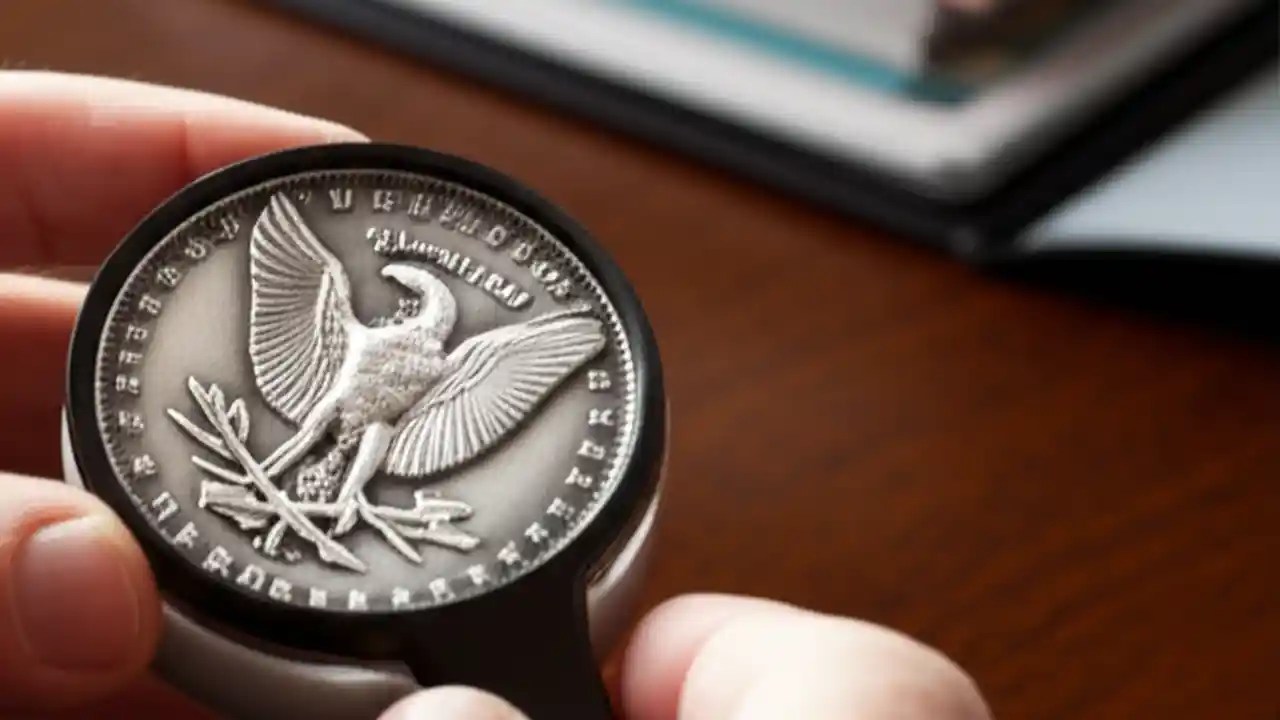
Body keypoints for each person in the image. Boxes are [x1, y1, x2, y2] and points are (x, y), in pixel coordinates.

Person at [0, 71, 993, 720]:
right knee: (322, 440)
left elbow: (540, 354)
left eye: (430, 299)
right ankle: (304, 493)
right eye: (420, 299)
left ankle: (324, 502)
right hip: (318, 472)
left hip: (428, 567)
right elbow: (292, 272)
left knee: (360, 461)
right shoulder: (340, 318)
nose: (425, 305)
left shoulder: (454, 364)